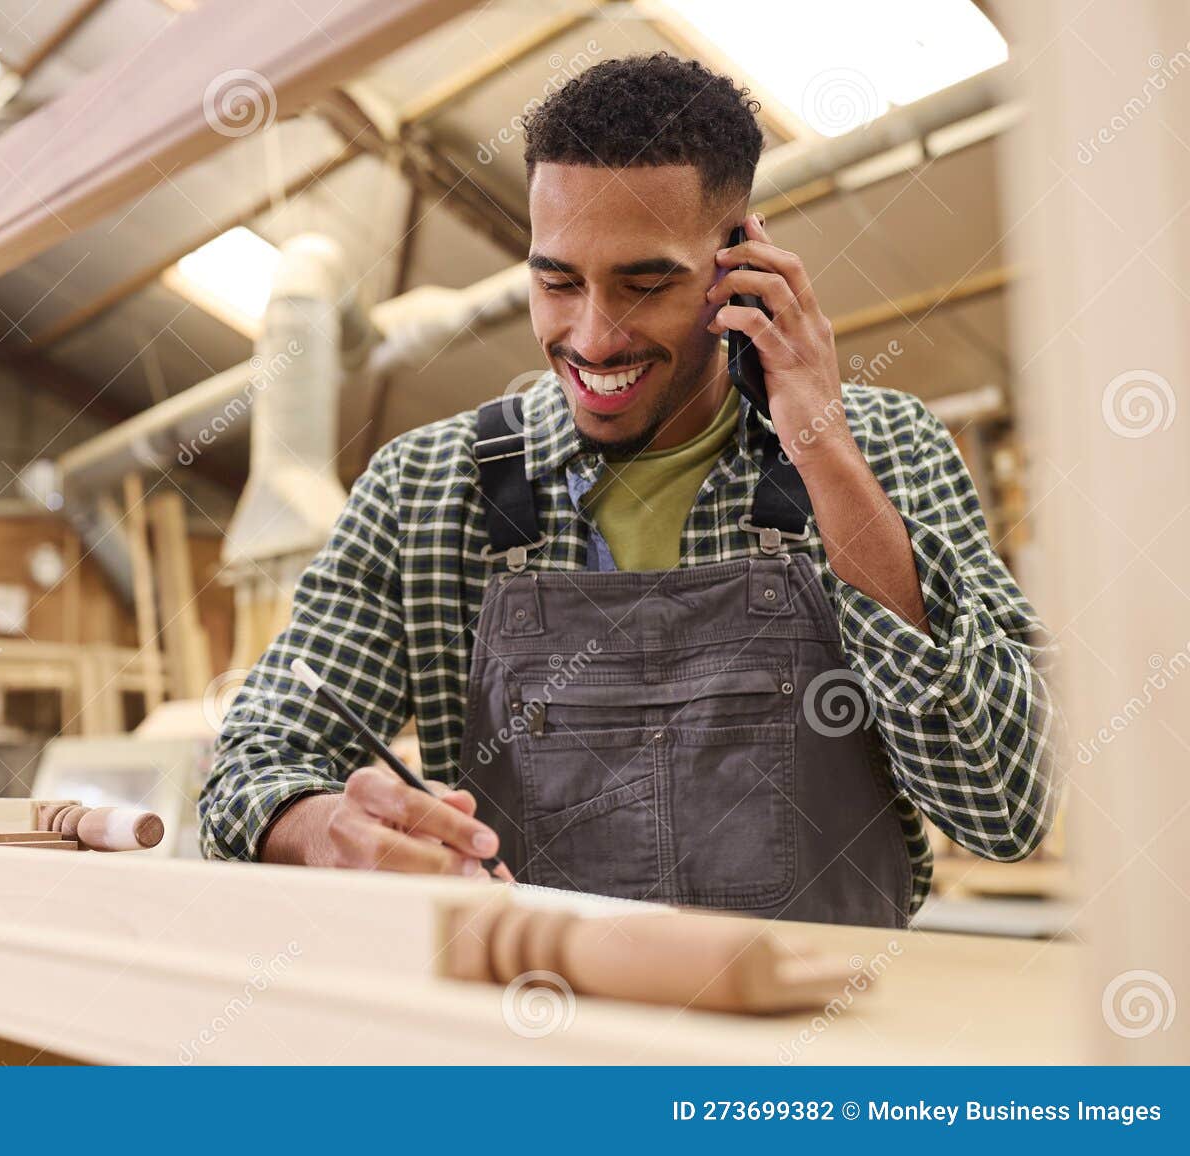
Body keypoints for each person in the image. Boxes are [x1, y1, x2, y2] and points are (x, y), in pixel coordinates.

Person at [198, 53, 1058, 927]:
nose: (594, 337)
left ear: (741, 265)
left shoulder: (888, 451)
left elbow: (1004, 808)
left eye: (646, 284)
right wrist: (319, 828)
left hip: (820, 1037)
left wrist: (824, 451)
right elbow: (248, 772)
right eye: (557, 281)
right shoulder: (424, 489)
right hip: (533, 1039)